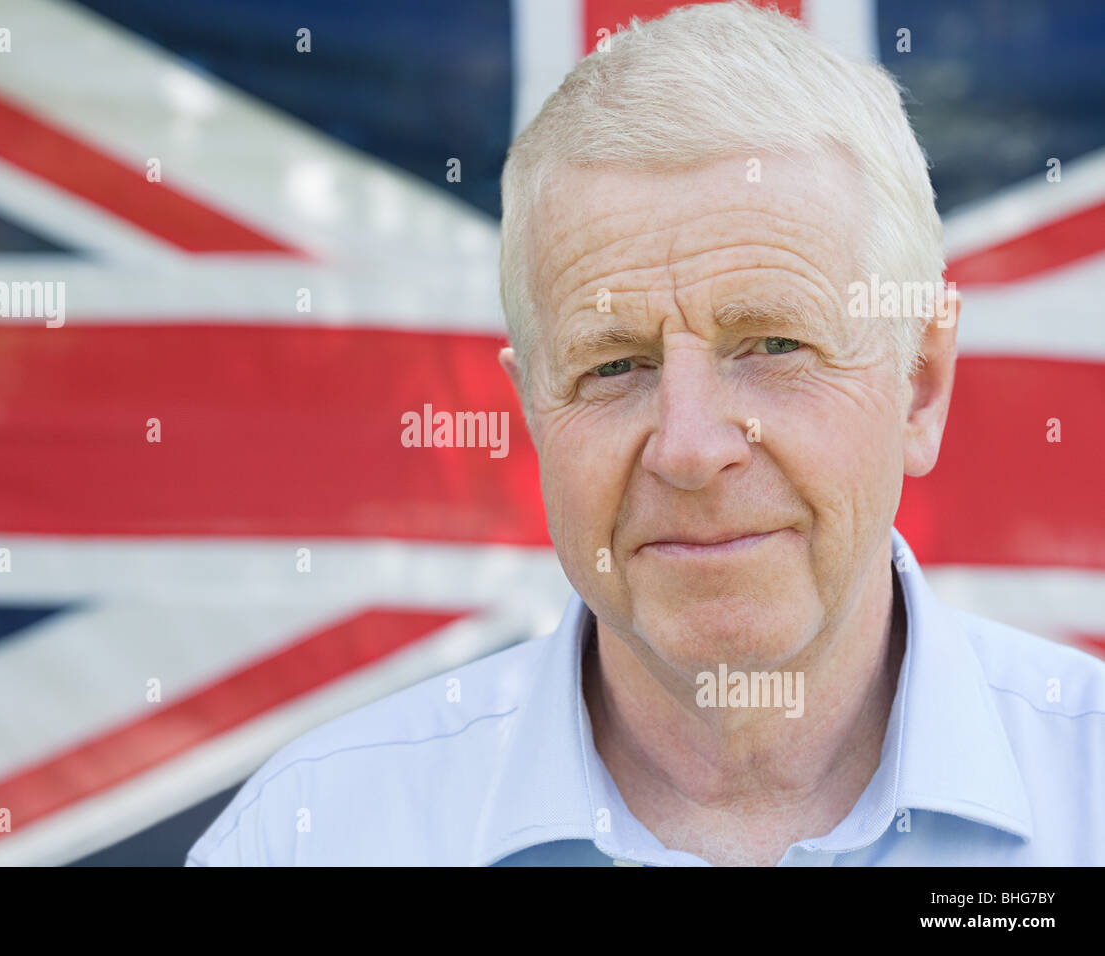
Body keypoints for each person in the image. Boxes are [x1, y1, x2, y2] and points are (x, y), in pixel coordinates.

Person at [188, 0, 1104, 866]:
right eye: (614, 365)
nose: (692, 447)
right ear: (536, 415)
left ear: (921, 385)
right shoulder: (316, 837)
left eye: (773, 343)